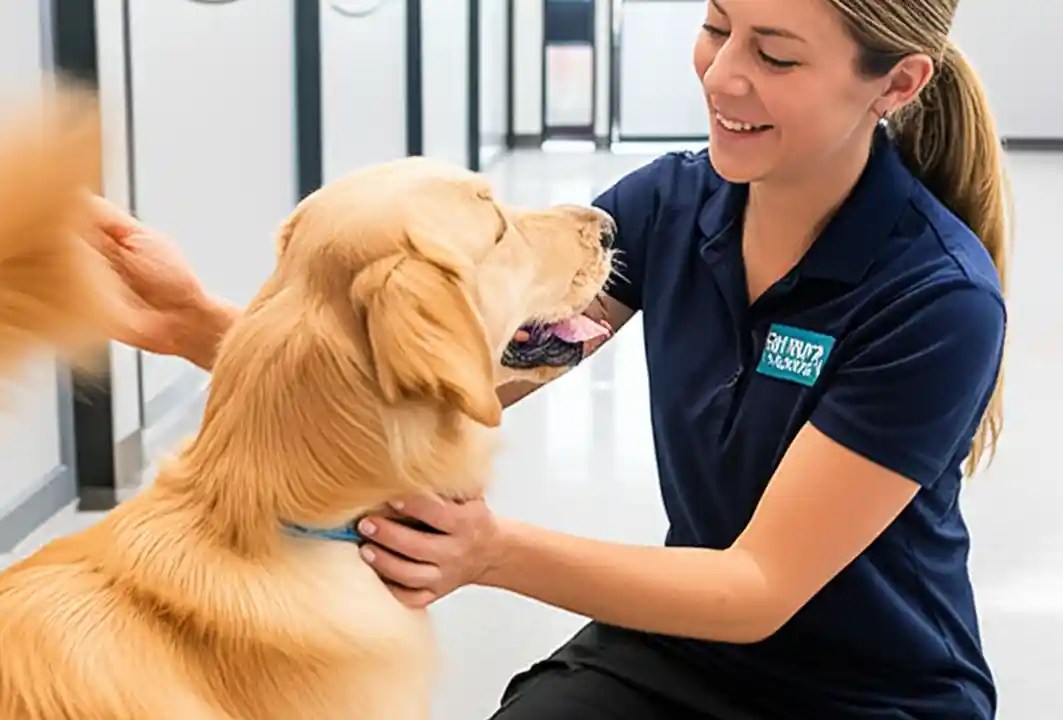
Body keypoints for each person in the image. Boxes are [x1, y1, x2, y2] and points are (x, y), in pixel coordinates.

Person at [85, 0, 1010, 717]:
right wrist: (200, 324)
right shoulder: (670, 210)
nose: (722, 77)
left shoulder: (937, 301)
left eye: (774, 54)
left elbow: (757, 587)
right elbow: (451, 377)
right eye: (716, 27)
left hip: (873, 691)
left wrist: (491, 553)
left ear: (895, 84)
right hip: (685, 642)